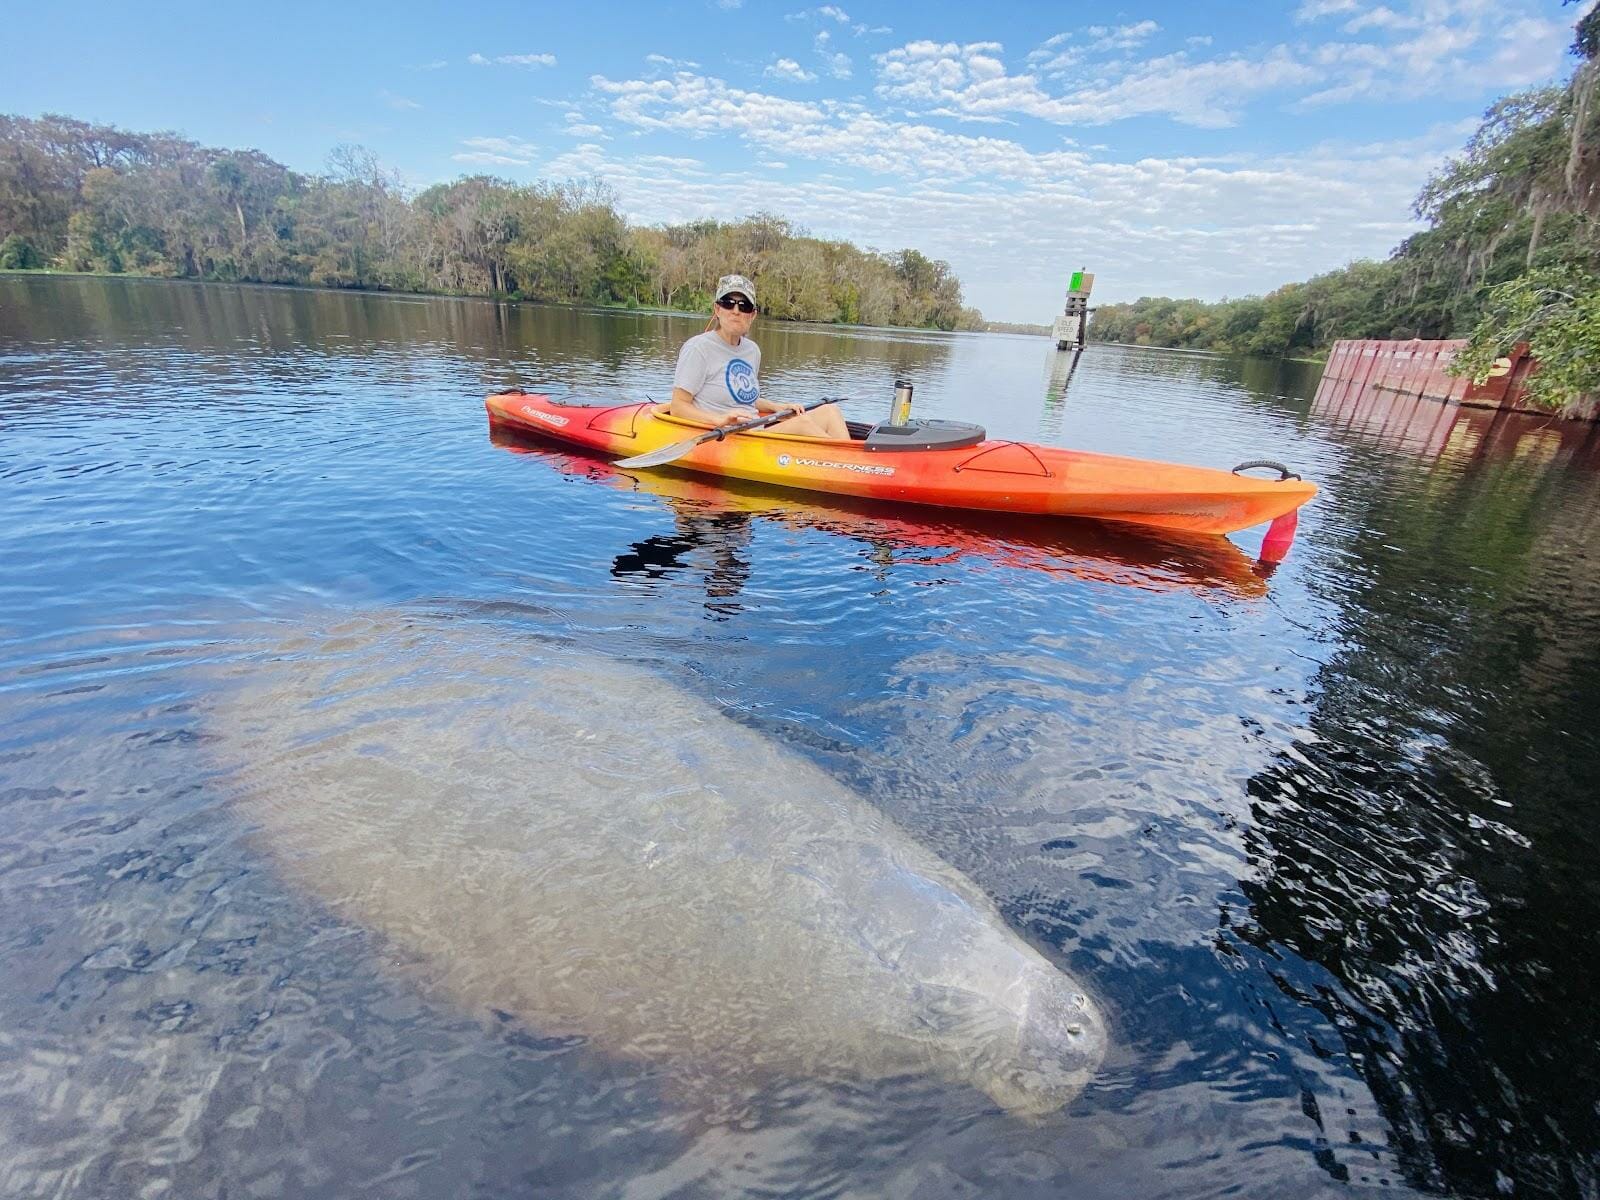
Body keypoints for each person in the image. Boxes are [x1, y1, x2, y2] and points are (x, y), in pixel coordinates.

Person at [670, 274, 851, 440]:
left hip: (755, 431)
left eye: (744, 306)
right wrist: (719, 420)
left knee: (830, 411)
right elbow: (678, 406)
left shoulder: (752, 350)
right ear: (717, 309)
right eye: (728, 303)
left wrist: (776, 407)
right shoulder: (698, 348)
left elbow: (745, 398)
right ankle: (843, 461)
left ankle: (848, 460)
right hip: (730, 437)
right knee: (802, 424)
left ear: (752, 315)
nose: (736, 311)